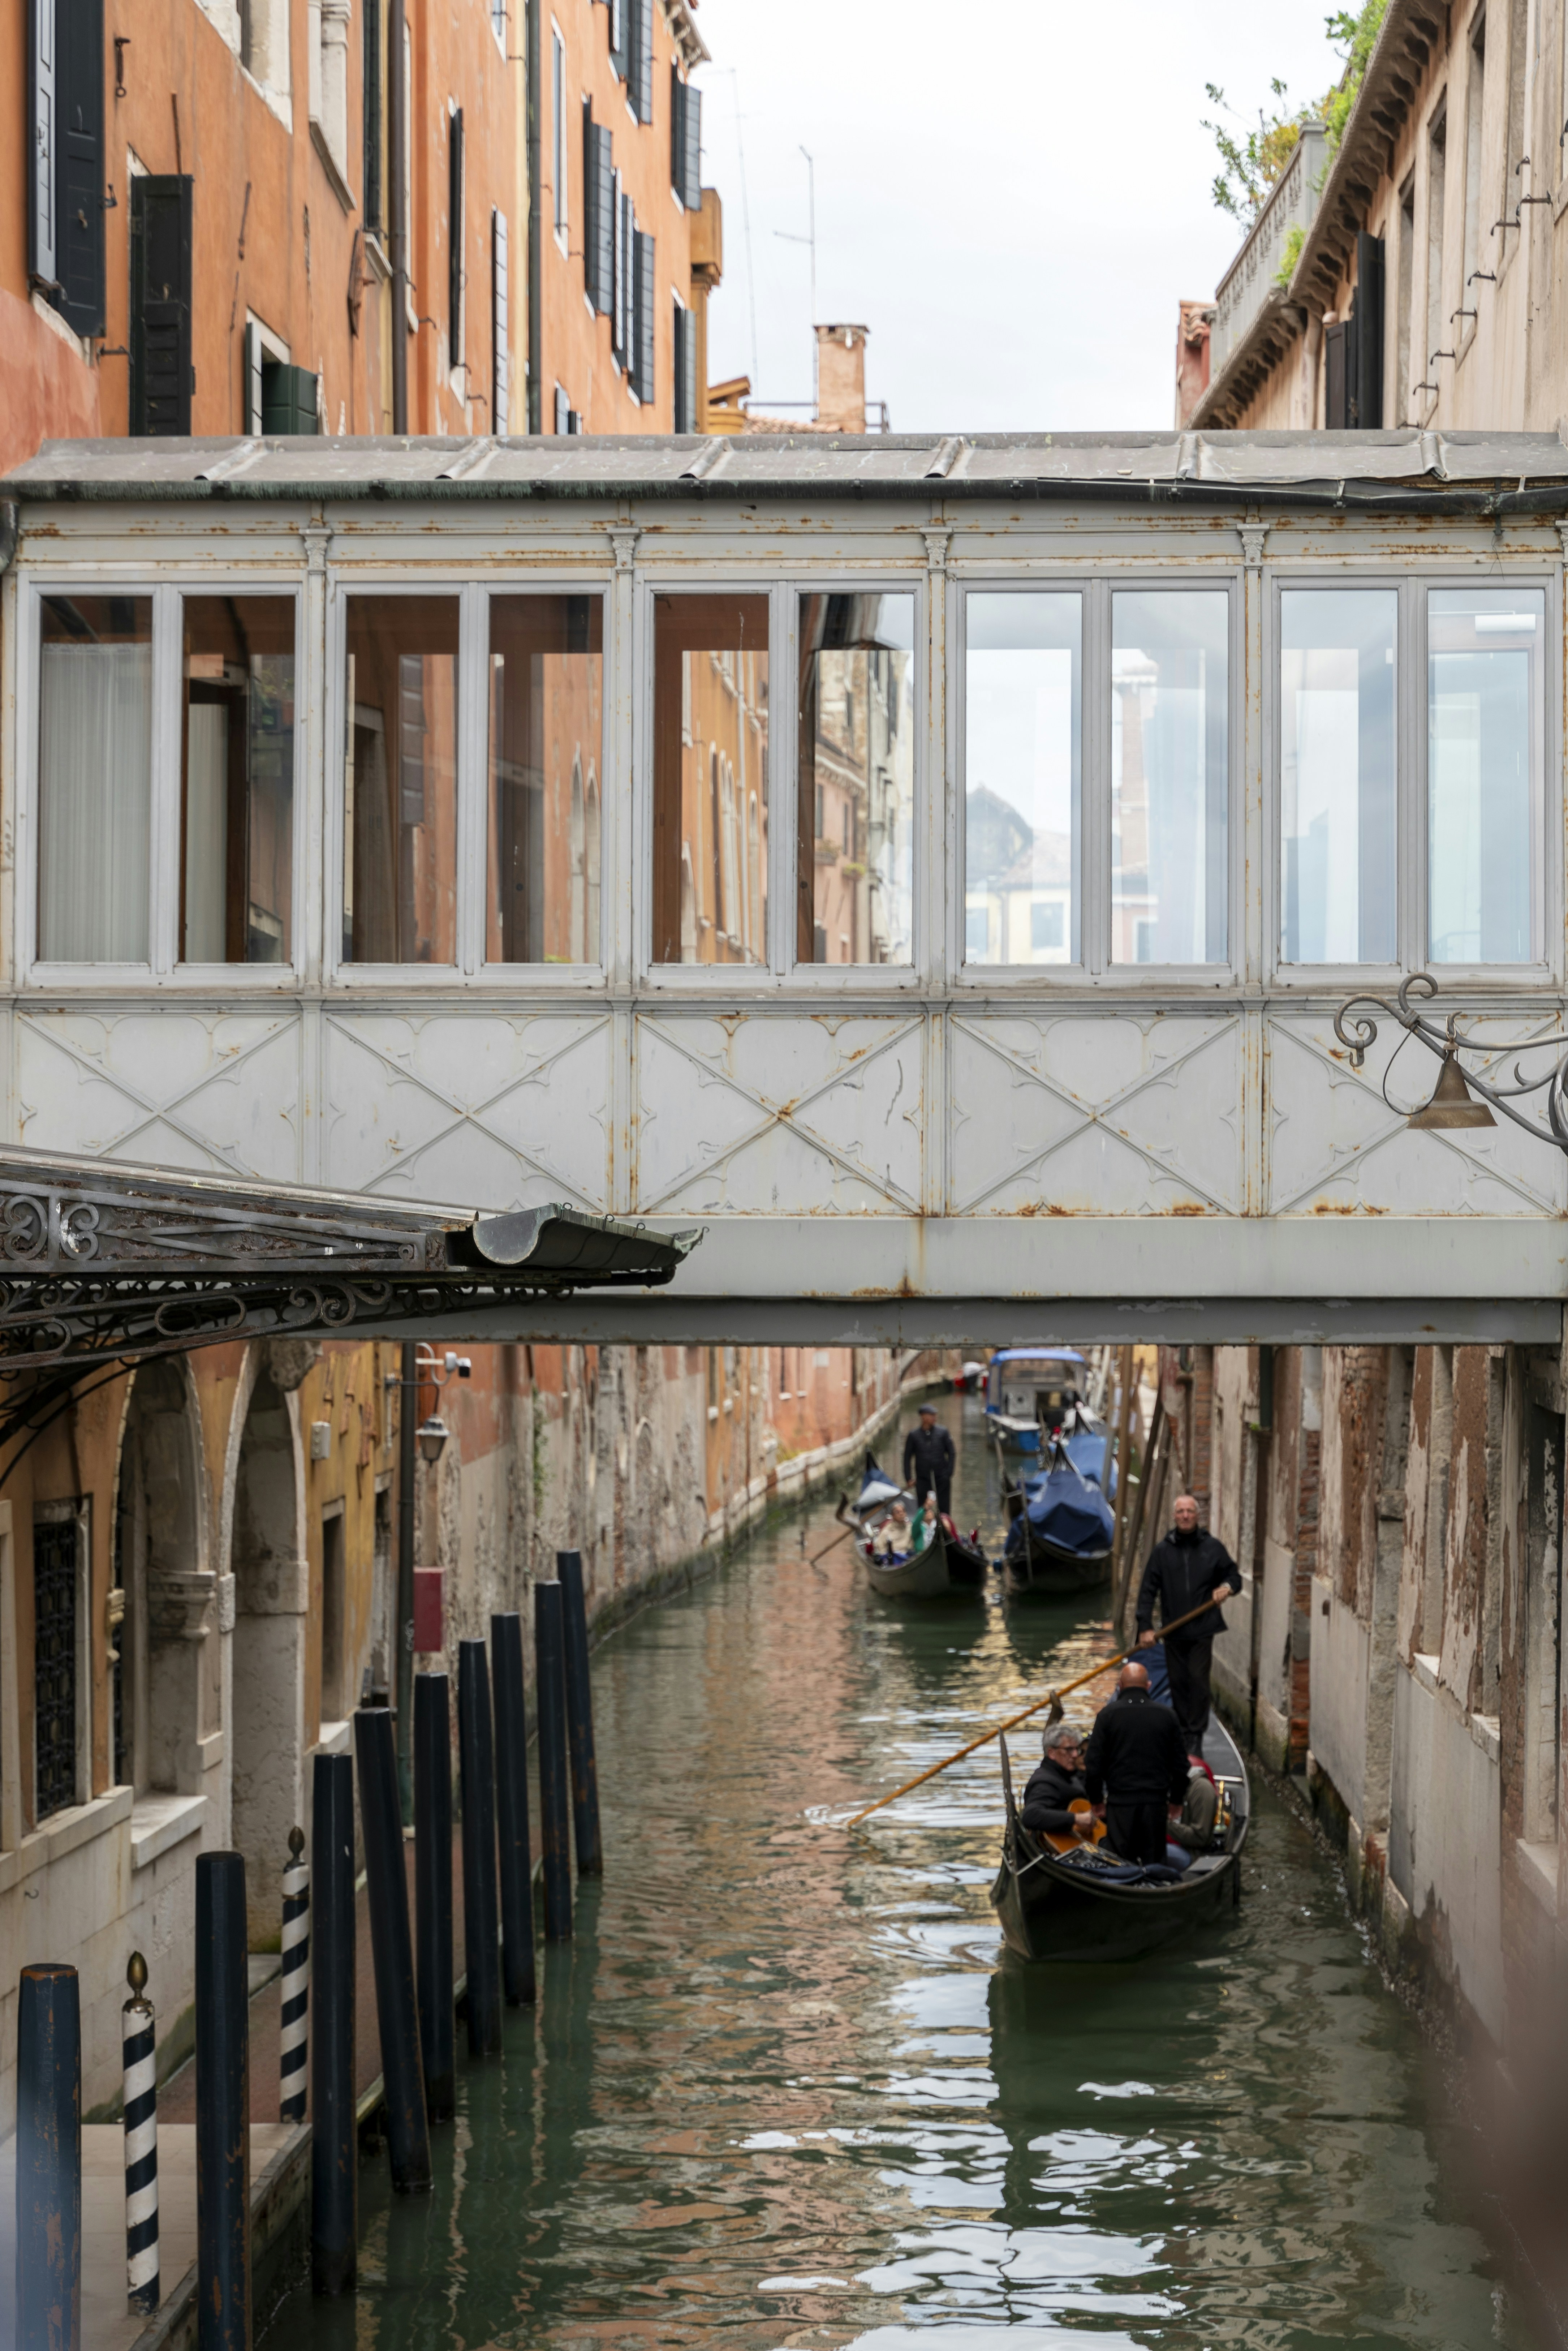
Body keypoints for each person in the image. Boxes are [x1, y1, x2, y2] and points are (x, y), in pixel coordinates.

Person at [1135, 1492, 1238, 1753]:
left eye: (1190, 1512)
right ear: (1175, 1516)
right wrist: (1145, 1627)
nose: (1185, 1516)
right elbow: (1148, 1590)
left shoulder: (1212, 1548)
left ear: (1197, 1516)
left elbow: (1234, 1576)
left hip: (1203, 1629)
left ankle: (1196, 1737)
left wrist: (1226, 1587)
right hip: (1174, 1631)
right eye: (1181, 1512)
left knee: (1198, 1680)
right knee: (1178, 1682)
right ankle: (1183, 1732)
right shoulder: (1162, 1551)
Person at [1083, 1662, 1191, 1866]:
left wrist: (1096, 1801)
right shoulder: (1167, 1716)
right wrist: (1176, 1801)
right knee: (1154, 1861)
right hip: (1156, 1804)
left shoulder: (1107, 1716)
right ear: (1148, 1686)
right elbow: (1181, 1765)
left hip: (1120, 1805)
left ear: (1120, 1686)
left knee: (1120, 1862)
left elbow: (1094, 1764)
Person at [1020, 1720, 1095, 1842]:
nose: (1076, 1755)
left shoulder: (1069, 1776)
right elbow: (1031, 1815)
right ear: (1052, 1753)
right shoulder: (1045, 1783)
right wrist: (1076, 1819)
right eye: (1069, 1750)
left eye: (1077, 1750)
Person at [903, 1404, 955, 1518]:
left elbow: (952, 1453)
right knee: (923, 1506)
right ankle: (923, 1528)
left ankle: (944, 1529)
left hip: (942, 1477)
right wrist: (908, 1478)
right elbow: (907, 1457)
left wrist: (949, 1473)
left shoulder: (943, 1433)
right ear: (924, 1417)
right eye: (932, 1415)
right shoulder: (914, 1435)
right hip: (923, 1478)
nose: (935, 1418)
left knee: (944, 1508)